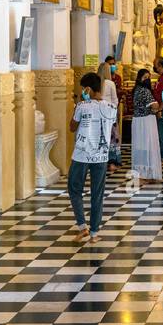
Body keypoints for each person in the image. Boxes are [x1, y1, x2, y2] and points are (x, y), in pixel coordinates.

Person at [69, 71, 117, 241]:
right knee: (97, 193)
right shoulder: (111, 107)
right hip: (101, 157)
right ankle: (95, 232)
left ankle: (82, 226)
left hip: (81, 155)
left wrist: (80, 104)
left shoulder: (82, 106)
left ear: (88, 89)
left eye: (83, 89)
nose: (83, 91)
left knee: (75, 189)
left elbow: (72, 127)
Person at [130, 69, 162, 185]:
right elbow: (155, 105)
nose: (147, 80)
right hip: (145, 121)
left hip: (141, 121)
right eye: (145, 77)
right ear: (139, 78)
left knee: (143, 147)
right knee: (146, 146)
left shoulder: (137, 90)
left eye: (148, 77)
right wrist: (158, 106)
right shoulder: (144, 91)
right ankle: (142, 175)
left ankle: (146, 174)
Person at [96, 60, 121, 173]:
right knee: (112, 138)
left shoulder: (96, 83)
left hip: (98, 113)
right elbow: (115, 100)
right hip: (109, 113)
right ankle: (112, 162)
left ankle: (100, 162)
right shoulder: (110, 83)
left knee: (101, 138)